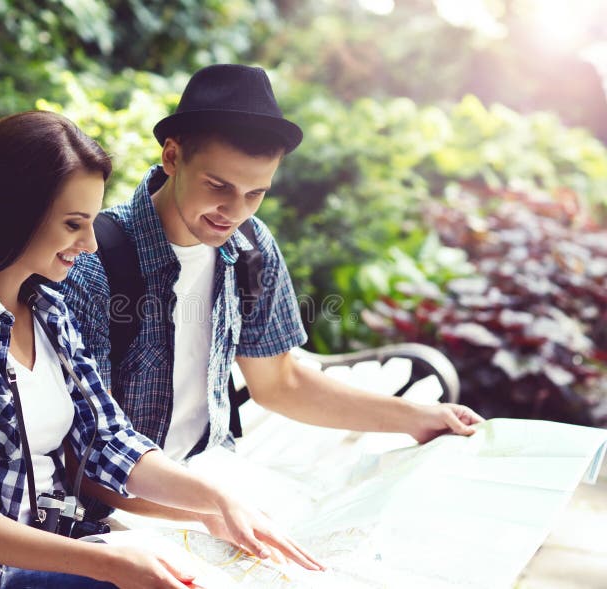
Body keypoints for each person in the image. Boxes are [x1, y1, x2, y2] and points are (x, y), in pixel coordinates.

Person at [0, 110, 323, 589]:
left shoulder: (45, 307)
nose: (88, 244)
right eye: (73, 225)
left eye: (89, 223)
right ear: (13, 215)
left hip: (49, 552)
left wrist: (217, 501)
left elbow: (108, 439)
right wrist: (110, 564)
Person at [60, 64, 484, 522]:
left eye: (255, 193)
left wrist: (419, 418)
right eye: (218, 186)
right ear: (172, 156)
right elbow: (84, 462)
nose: (234, 212)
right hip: (118, 514)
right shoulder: (94, 259)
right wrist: (213, 513)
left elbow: (281, 382)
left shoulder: (251, 247)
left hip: (213, 479)